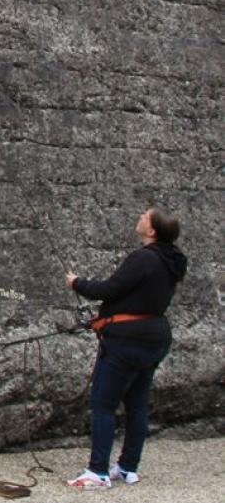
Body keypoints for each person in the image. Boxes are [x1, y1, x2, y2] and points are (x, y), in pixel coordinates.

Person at [65, 207, 187, 488]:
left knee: (103, 403)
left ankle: (98, 471)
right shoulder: (172, 261)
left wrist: (77, 283)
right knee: (137, 403)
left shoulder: (144, 258)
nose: (140, 216)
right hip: (155, 337)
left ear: (152, 230)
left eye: (145, 216)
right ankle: (128, 467)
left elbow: (110, 289)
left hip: (127, 340)